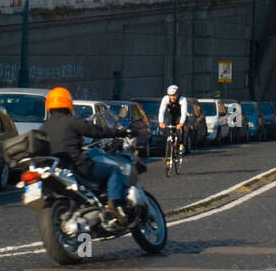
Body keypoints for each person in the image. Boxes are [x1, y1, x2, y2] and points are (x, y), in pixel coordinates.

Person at [41, 86, 135, 221]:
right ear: (68, 103)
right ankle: (113, 206)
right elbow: (95, 131)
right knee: (114, 170)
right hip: (77, 166)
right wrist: (119, 132)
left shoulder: (44, 127)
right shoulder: (71, 121)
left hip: (57, 168)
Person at [157, 84, 188, 154]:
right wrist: (161, 122)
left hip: (180, 116)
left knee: (180, 131)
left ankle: (181, 144)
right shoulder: (165, 99)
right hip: (172, 115)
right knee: (170, 129)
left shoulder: (182, 99)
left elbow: (184, 112)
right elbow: (161, 111)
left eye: (174, 95)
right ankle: (171, 145)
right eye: (170, 95)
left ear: (177, 94)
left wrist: (181, 123)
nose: (172, 97)